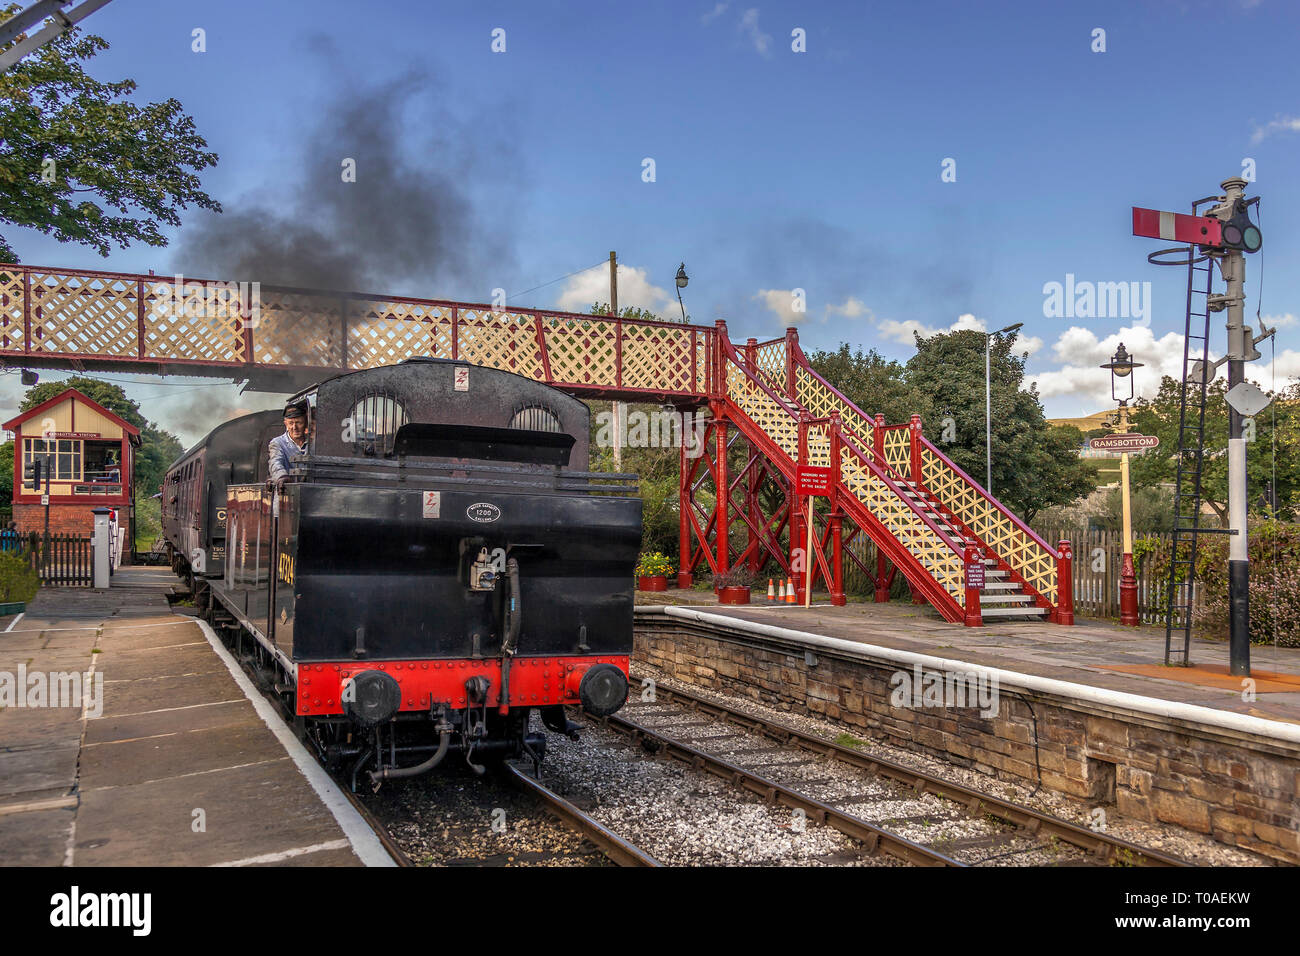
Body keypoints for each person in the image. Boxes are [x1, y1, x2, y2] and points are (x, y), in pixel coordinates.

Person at [268, 401, 310, 482]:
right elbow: (275, 463)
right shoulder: (277, 443)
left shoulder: (314, 443)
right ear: (286, 424)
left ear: (306, 423)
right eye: (291, 423)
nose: (294, 427)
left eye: (298, 423)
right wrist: (282, 477)